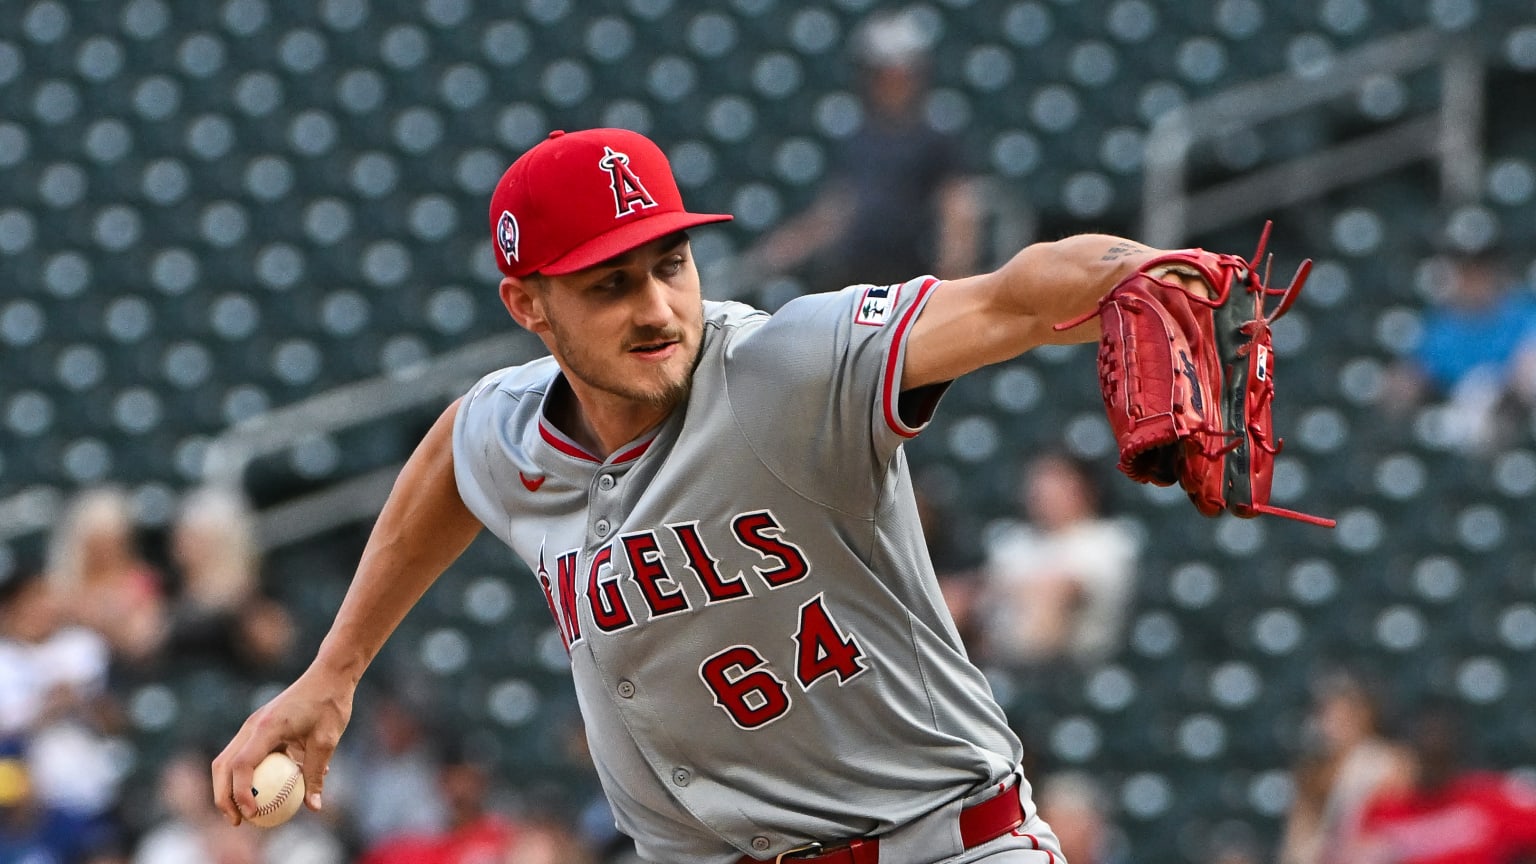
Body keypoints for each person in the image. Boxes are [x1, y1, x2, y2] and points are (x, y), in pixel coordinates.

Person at [211, 126, 1218, 863]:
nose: (656, 308)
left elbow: (1007, 297)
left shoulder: (789, 368)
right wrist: (333, 673)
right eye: (609, 284)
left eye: (671, 264)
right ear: (528, 306)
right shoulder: (511, 427)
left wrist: (1139, 271)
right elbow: (449, 456)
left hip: (937, 847)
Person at [738, 7, 983, 294]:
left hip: (911, 274)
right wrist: (780, 250)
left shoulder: (935, 140)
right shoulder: (857, 138)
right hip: (854, 275)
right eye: (883, 74)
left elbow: (956, 208)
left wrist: (952, 277)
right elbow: (836, 210)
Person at [976, 454, 1139, 668]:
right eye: (1038, 485)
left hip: (1079, 664)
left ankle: (1030, 686)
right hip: (996, 651)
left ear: (1086, 490)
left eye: (1056, 484)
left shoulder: (1108, 540)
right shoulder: (1013, 541)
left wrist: (1008, 590)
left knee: (1048, 599)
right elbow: (979, 597)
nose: (1044, 494)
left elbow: (1068, 589)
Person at [1336, 700, 1536, 864]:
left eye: (1441, 756)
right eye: (1426, 756)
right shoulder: (1384, 809)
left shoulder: (1492, 800)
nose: (1433, 763)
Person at [1278, 672, 1412, 864]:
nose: (1333, 722)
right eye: (1327, 714)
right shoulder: (1311, 769)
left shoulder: (1387, 762)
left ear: (1365, 714)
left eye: (1344, 714)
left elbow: (1393, 827)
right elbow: (1297, 840)